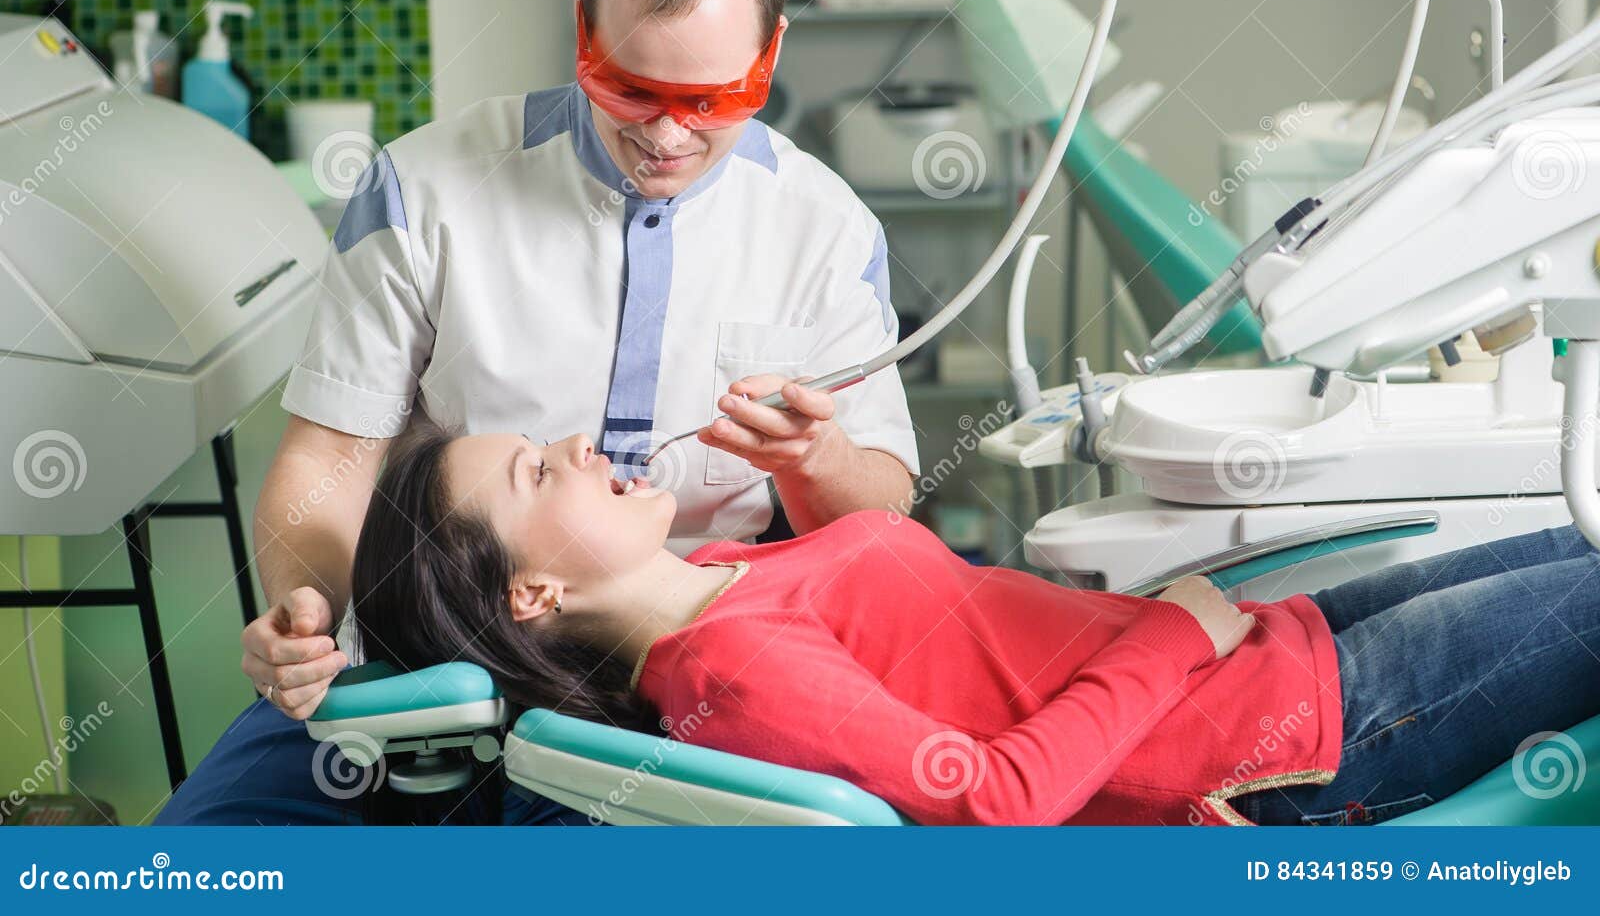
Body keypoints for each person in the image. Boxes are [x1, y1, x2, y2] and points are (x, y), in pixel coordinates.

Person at [158, 0, 919, 824]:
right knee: (200, 852)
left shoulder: (824, 231)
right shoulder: (423, 190)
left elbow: (881, 512)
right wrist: (305, 606)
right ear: (582, 34)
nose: (670, 134)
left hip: (699, 672)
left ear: (772, 52)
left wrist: (819, 457)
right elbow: (330, 458)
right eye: (634, 89)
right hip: (429, 668)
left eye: (716, 98)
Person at [349, 425, 1600, 826]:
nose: (573, 444)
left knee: (1583, 531)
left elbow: (921, 632)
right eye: (533, 477)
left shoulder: (723, 572)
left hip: (1256, 655)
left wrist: (818, 461)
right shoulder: (728, 668)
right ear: (531, 597)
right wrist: (1171, 634)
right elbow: (995, 801)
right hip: (1272, 738)